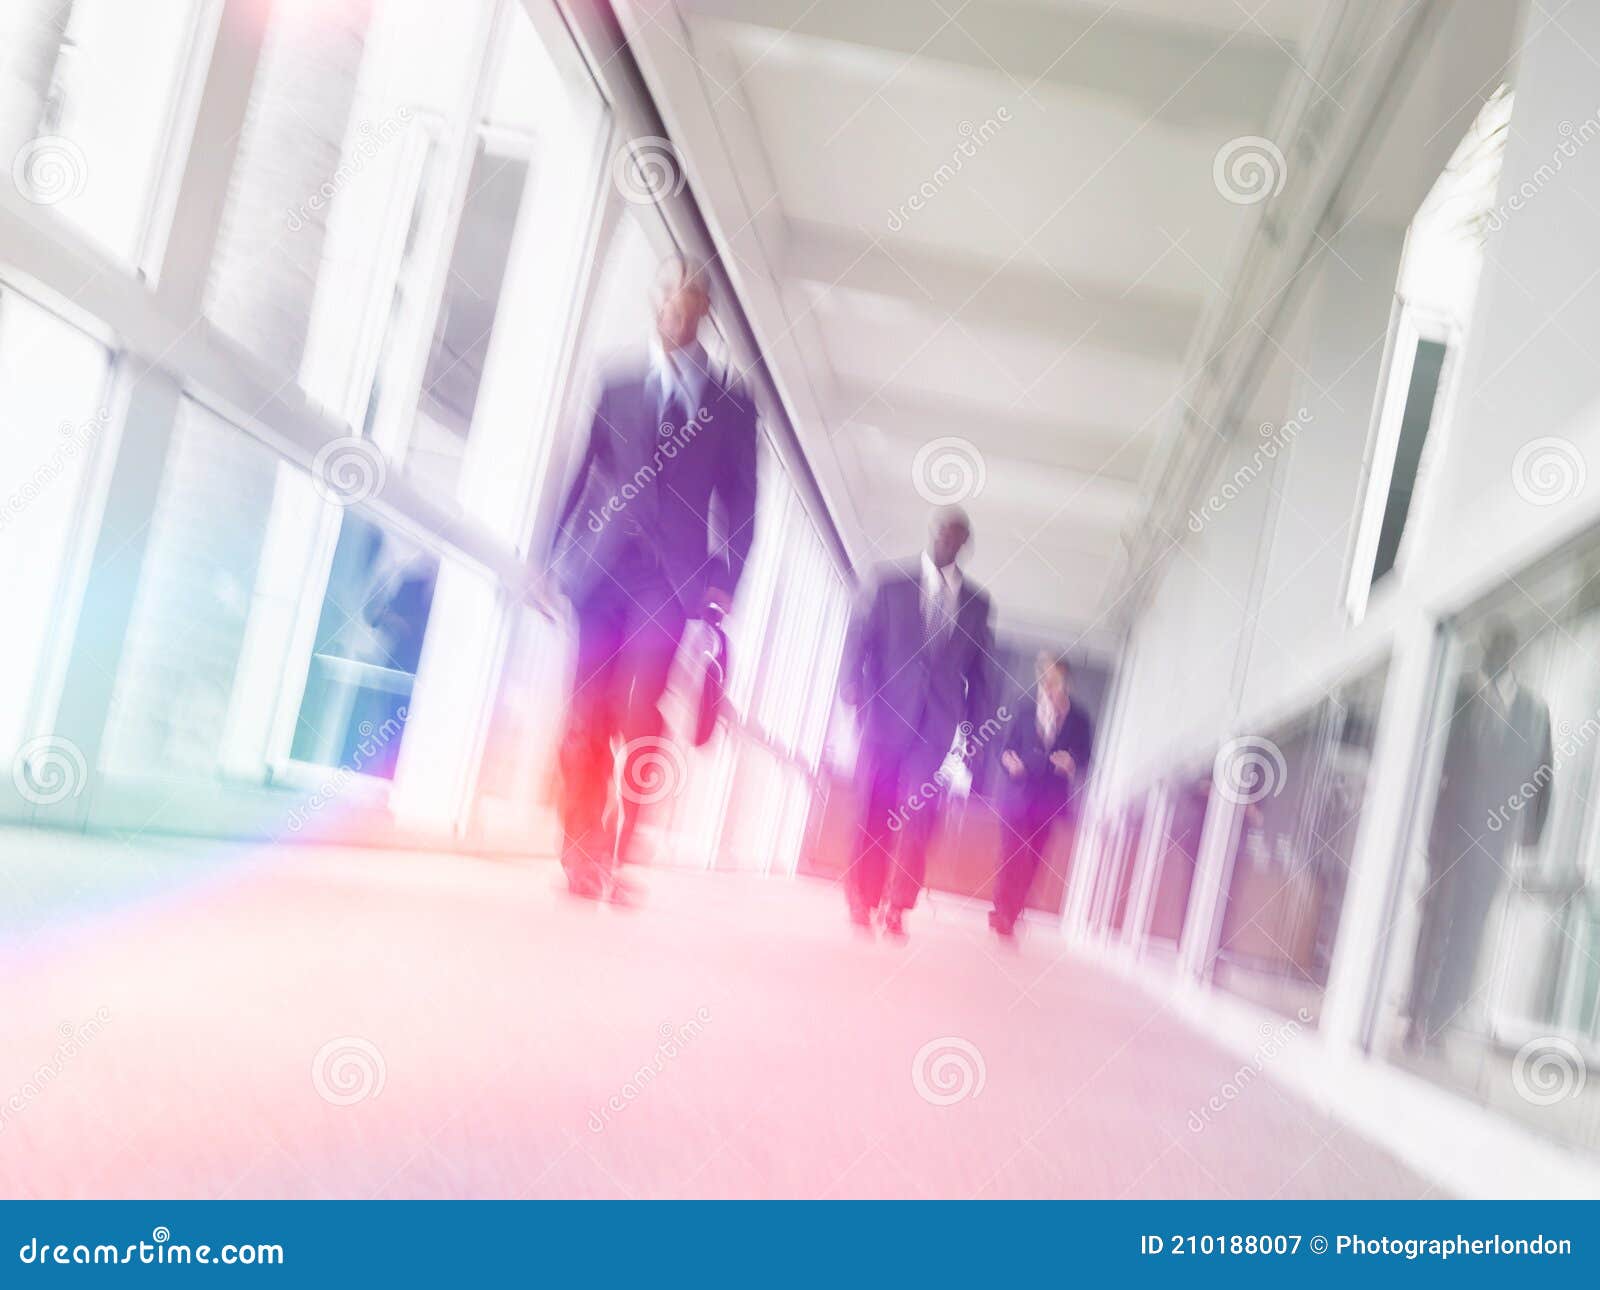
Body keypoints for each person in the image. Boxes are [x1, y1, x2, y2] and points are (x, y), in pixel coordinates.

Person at [541, 254, 759, 900]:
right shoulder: (616, 383)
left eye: (689, 294)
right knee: (586, 711)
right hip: (601, 569)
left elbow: (743, 501)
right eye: (666, 290)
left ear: (705, 309)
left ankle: (617, 846)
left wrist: (727, 580)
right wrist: (550, 554)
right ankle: (580, 850)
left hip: (670, 580)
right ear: (653, 299)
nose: (675, 303)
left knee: (640, 713)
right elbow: (585, 468)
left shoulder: (732, 405)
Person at [840, 506, 993, 939]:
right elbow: (860, 638)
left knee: (918, 813)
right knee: (875, 806)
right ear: (931, 532)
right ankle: (863, 896)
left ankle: (898, 905)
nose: (947, 540)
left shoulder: (978, 605)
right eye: (942, 531)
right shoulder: (889, 585)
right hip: (884, 716)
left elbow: (981, 671)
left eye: (956, 535)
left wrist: (976, 730)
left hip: (936, 725)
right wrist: (851, 688)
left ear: (965, 545)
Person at [1405, 619, 1551, 1051]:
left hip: (1494, 842)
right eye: (1496, 644)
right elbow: (1432, 763)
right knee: (1435, 921)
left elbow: (1543, 778)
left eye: (1509, 646)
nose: (1502, 652)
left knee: (1469, 931)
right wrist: (1425, 825)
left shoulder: (1534, 711)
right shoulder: (1457, 695)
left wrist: (1531, 838)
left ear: (1517, 654)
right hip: (1450, 832)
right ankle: (1416, 1013)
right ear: (1486, 649)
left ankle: (1439, 1021)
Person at [989, 652, 1093, 939]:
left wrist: (1072, 762)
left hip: (1049, 799)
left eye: (1054, 680)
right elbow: (1003, 746)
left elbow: (1085, 756)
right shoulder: (1022, 708)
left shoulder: (1079, 719)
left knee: (1034, 858)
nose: (1048, 686)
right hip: (1017, 792)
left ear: (1066, 683)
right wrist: (1008, 761)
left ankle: (1012, 911)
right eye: (1044, 679)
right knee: (1010, 853)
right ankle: (1003, 911)